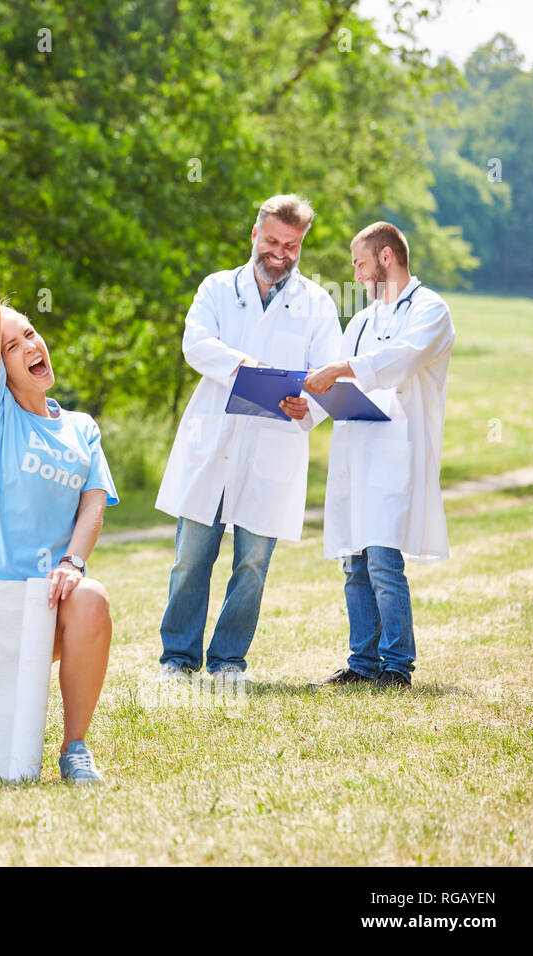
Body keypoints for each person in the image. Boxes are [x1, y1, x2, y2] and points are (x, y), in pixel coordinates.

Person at [0, 149, 118, 786]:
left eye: (31, 333)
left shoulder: (80, 428)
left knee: (92, 600)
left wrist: (72, 563)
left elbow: (93, 504)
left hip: (42, 600)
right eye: (12, 345)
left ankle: (75, 749)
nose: (28, 345)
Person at [154, 195, 341, 684]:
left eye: (292, 246)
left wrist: (311, 407)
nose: (281, 254)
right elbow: (196, 344)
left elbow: (327, 374)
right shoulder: (217, 288)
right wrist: (249, 370)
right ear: (255, 235)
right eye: (274, 241)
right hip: (214, 441)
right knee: (191, 557)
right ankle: (178, 656)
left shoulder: (316, 303)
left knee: (254, 562)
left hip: (272, 445)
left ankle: (229, 660)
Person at [302, 222, 455, 689]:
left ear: (385, 257)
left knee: (383, 559)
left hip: (396, 450)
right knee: (354, 561)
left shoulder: (430, 309)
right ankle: (362, 663)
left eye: (359, 262)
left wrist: (337, 368)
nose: (356, 271)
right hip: (356, 449)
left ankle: (396, 665)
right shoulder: (364, 319)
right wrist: (302, 406)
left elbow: (402, 361)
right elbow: (339, 383)